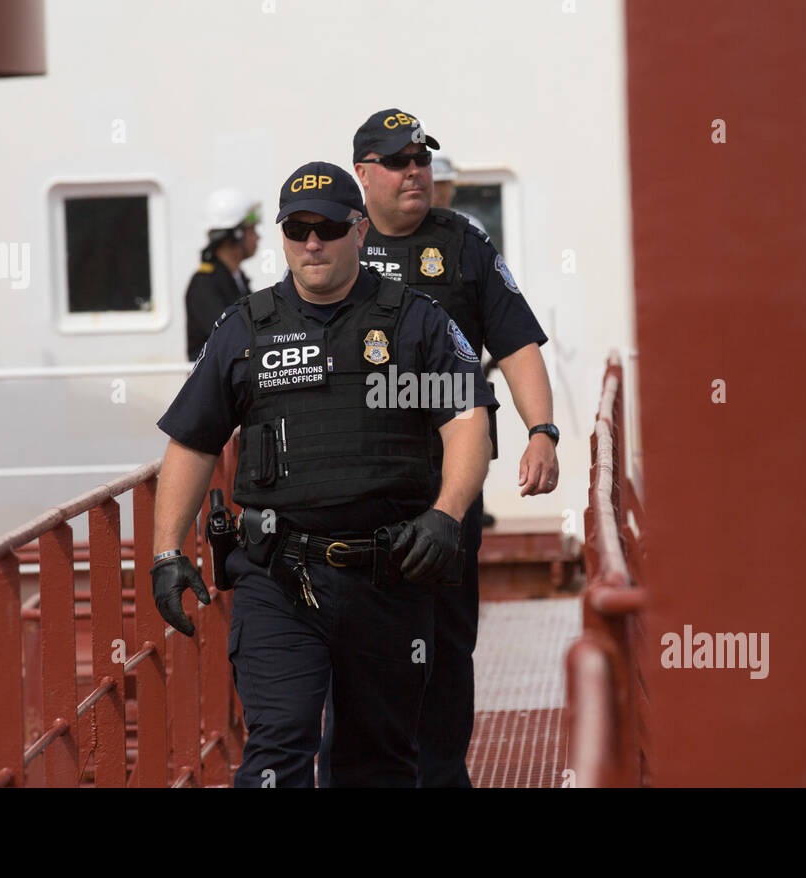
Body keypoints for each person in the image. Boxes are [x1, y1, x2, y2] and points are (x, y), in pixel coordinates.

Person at [151, 160, 496, 787]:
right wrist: (167, 553)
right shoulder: (245, 328)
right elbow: (192, 443)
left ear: (359, 231)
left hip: (388, 576)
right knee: (278, 746)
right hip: (278, 578)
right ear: (282, 236)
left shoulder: (414, 322)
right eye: (298, 229)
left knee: (378, 760)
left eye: (329, 228)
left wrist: (447, 514)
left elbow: (467, 419)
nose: (312, 243)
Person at [332, 107, 561, 788]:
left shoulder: (463, 243)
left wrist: (542, 431)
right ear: (363, 172)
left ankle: (439, 775)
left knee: (446, 639)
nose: (414, 172)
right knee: (354, 641)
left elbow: (516, 342)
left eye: (422, 159)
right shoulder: (335, 239)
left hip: (448, 479)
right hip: (355, 479)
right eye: (398, 162)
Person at [184, 187, 260, 360]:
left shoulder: (237, 277)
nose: (258, 237)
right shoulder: (204, 283)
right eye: (252, 230)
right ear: (236, 235)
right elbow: (229, 333)